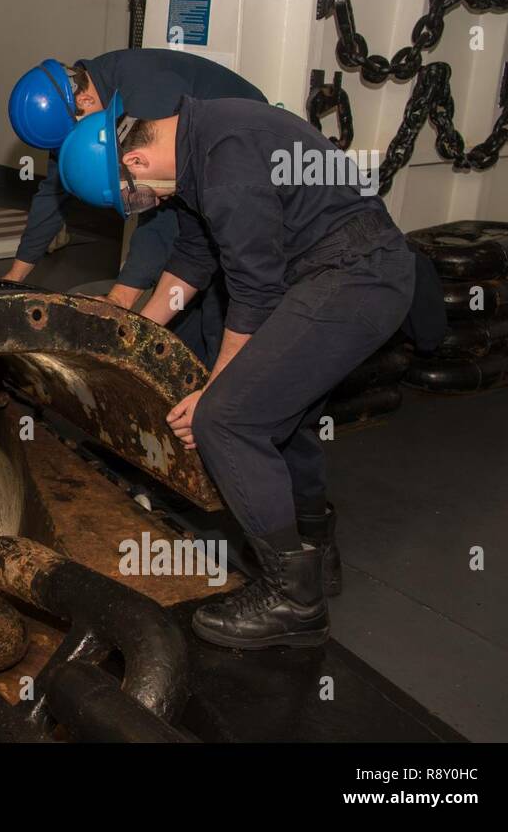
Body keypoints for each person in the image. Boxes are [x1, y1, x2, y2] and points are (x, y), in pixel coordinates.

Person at [57, 94, 415, 649]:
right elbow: (194, 260)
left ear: (135, 163)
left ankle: (293, 601)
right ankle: (313, 551)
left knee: (227, 420)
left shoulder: (225, 161)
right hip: (343, 273)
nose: (145, 204)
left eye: (135, 198)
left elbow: (253, 287)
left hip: (356, 279)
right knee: (283, 416)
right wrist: (133, 339)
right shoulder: (203, 141)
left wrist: (215, 388)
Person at [4, 49, 266, 365]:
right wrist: (14, 277)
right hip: (194, 195)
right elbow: (53, 193)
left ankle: (215, 389)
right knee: (185, 291)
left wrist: (120, 299)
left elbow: (160, 212)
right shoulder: (75, 105)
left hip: (241, 164)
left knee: (220, 307)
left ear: (84, 103)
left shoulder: (147, 98)